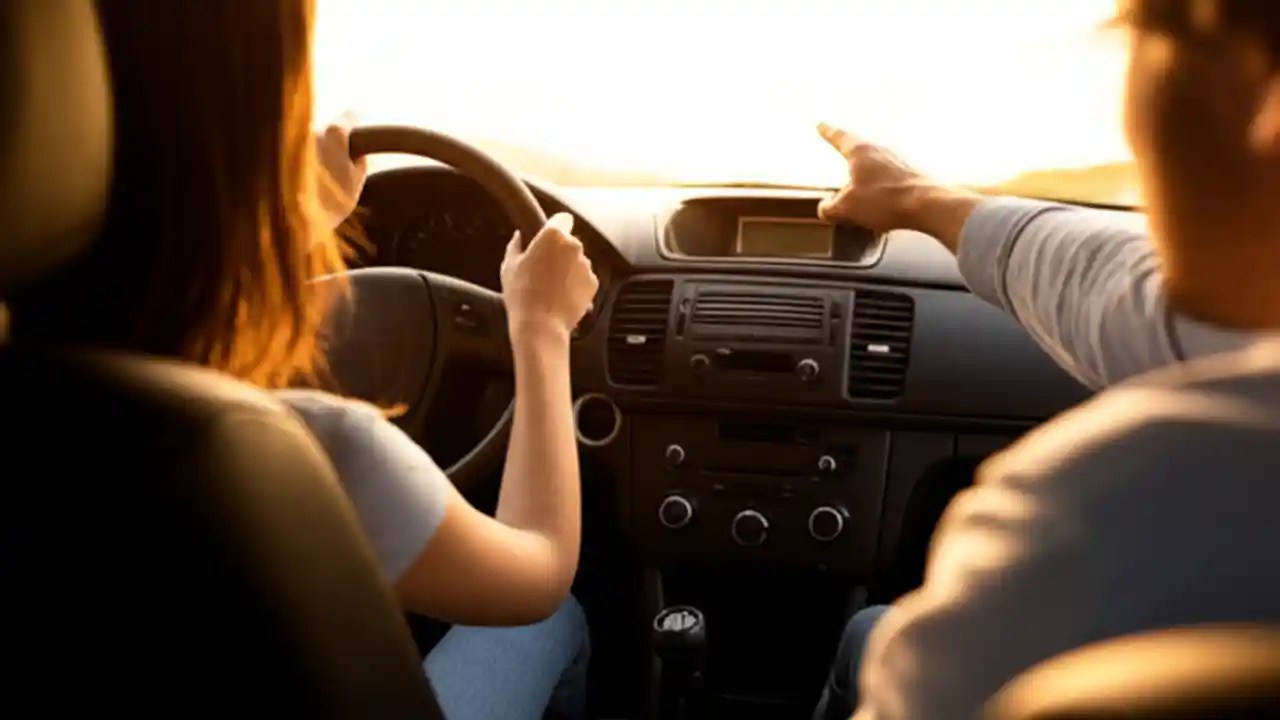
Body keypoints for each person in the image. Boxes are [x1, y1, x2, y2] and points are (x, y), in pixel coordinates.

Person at [8, 2, 597, 718]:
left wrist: (288, 227)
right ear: (256, 132)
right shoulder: (299, 454)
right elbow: (538, 567)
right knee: (554, 620)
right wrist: (540, 329)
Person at [811, 1, 1280, 717]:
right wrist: (916, 199)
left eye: (1147, 40)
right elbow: (1130, 302)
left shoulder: (1087, 532)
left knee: (870, 635)